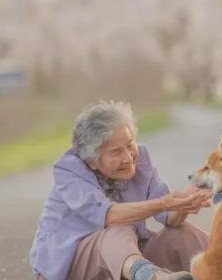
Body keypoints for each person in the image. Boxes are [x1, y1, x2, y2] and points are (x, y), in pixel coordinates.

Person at [30, 101, 212, 280]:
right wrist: (165, 202)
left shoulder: (141, 159)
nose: (128, 157)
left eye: (130, 144)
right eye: (116, 152)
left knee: (181, 233)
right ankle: (151, 277)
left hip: (125, 261)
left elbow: (170, 217)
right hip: (72, 269)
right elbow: (109, 215)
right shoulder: (69, 170)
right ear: (92, 161)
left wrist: (188, 199)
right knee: (118, 229)